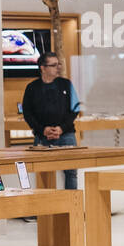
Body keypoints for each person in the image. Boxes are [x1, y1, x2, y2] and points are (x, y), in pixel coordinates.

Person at [21, 52, 80, 189]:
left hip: (66, 135)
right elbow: (28, 113)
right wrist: (43, 129)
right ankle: (45, 209)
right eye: (53, 65)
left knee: (71, 172)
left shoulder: (66, 84)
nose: (57, 68)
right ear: (43, 68)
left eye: (58, 64)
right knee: (42, 172)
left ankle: (70, 206)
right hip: (42, 137)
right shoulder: (32, 88)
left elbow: (75, 109)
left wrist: (61, 128)